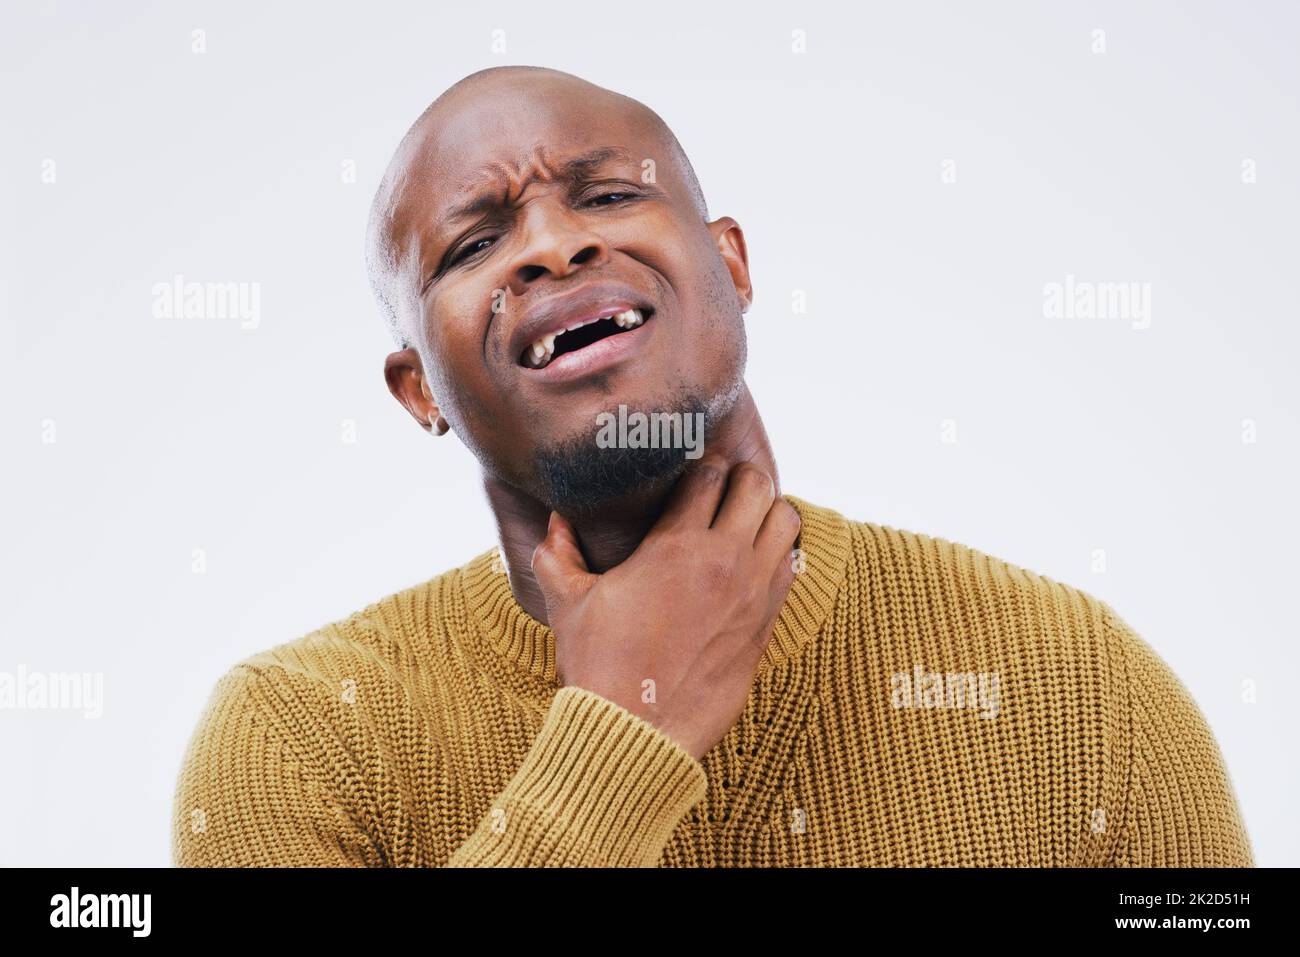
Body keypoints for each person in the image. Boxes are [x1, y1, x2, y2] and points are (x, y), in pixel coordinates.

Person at [171, 65, 1254, 867]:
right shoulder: (298, 738)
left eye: (605, 197)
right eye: (472, 246)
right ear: (418, 392)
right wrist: (616, 745)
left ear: (730, 264)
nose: (553, 246)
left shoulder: (1076, 683)